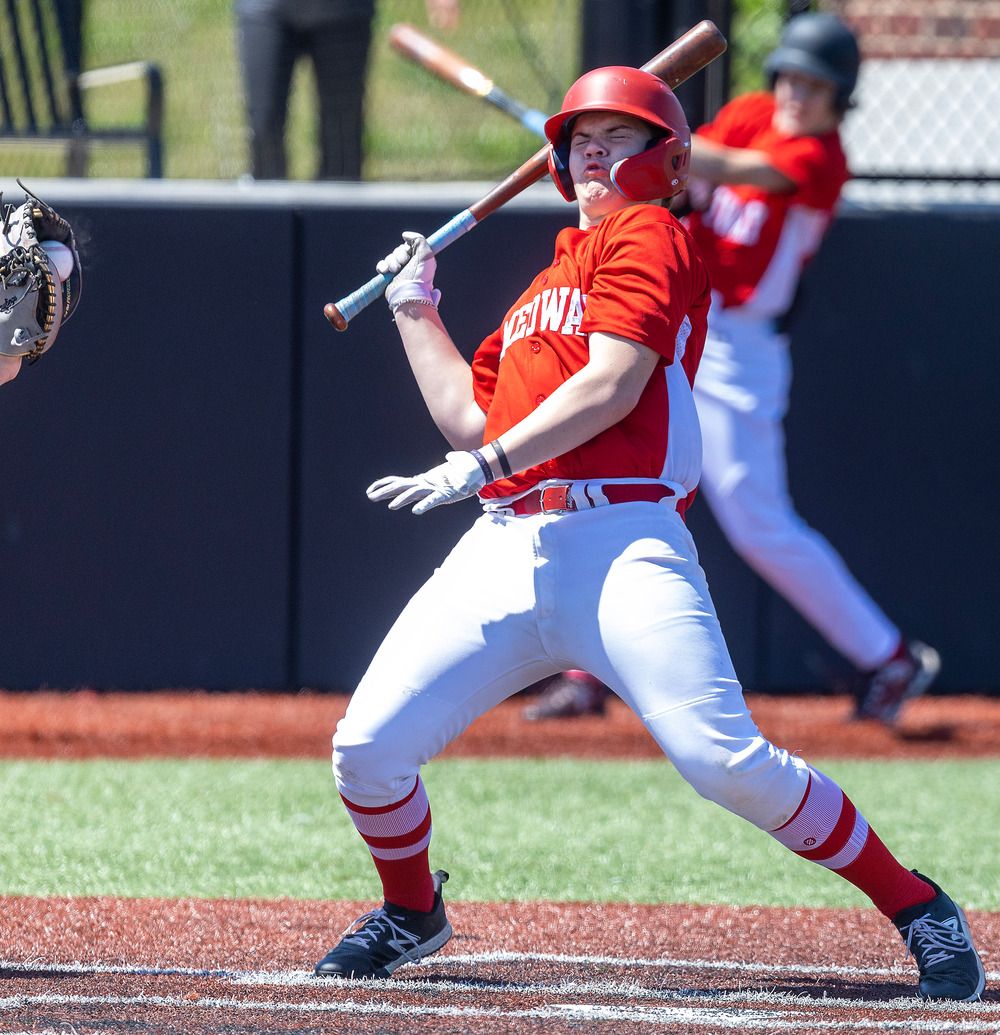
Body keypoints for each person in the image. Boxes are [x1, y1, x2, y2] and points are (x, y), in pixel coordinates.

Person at [310, 65, 984, 1002]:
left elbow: (612, 387)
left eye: (618, 134)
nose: (593, 144)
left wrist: (484, 466)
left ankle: (920, 906)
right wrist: (415, 309)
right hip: (507, 542)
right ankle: (411, 912)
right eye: (581, 133)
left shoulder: (652, 234)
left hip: (621, 541)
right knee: (365, 751)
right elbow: (471, 416)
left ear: (667, 162)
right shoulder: (543, 283)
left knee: (724, 761)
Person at [524, 13, 940, 726]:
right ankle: (585, 673)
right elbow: (687, 177)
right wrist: (615, 156)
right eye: (791, 77)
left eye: (817, 86)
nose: (797, 95)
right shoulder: (751, 112)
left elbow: (735, 168)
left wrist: (640, 150)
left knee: (757, 521)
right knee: (605, 474)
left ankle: (887, 655)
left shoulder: (821, 157)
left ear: (841, 98)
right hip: (669, 319)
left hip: (741, 349)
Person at [236, 0, 460, 181]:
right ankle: (269, 229)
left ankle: (334, 231)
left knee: (342, 144)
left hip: (344, 12)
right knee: (263, 128)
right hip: (266, 9)